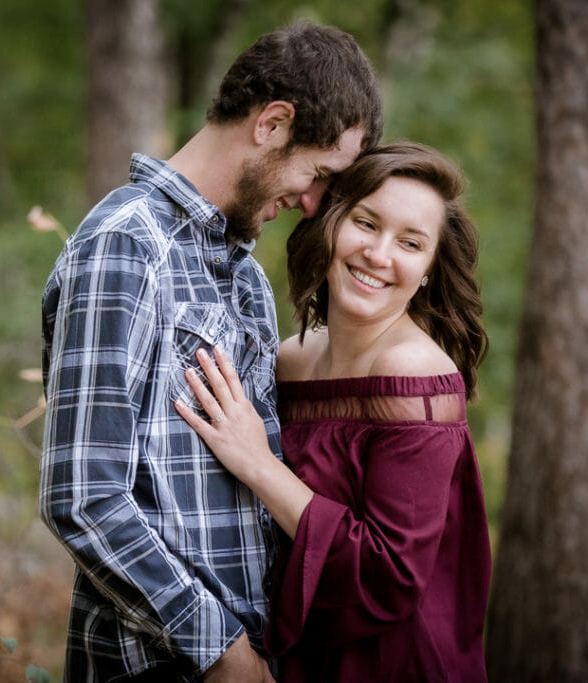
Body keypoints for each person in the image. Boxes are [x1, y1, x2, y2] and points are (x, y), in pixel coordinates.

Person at [39, 22, 383, 682]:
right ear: (273, 123)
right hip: (160, 664)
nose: (314, 205)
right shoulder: (126, 244)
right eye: (319, 174)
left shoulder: (245, 278)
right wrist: (221, 651)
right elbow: (82, 496)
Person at [175, 142, 491, 682]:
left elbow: (389, 572)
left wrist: (258, 464)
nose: (379, 254)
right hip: (296, 654)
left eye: (410, 243)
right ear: (332, 222)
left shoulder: (418, 379)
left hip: (393, 662)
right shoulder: (291, 359)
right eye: (367, 223)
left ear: (429, 271)